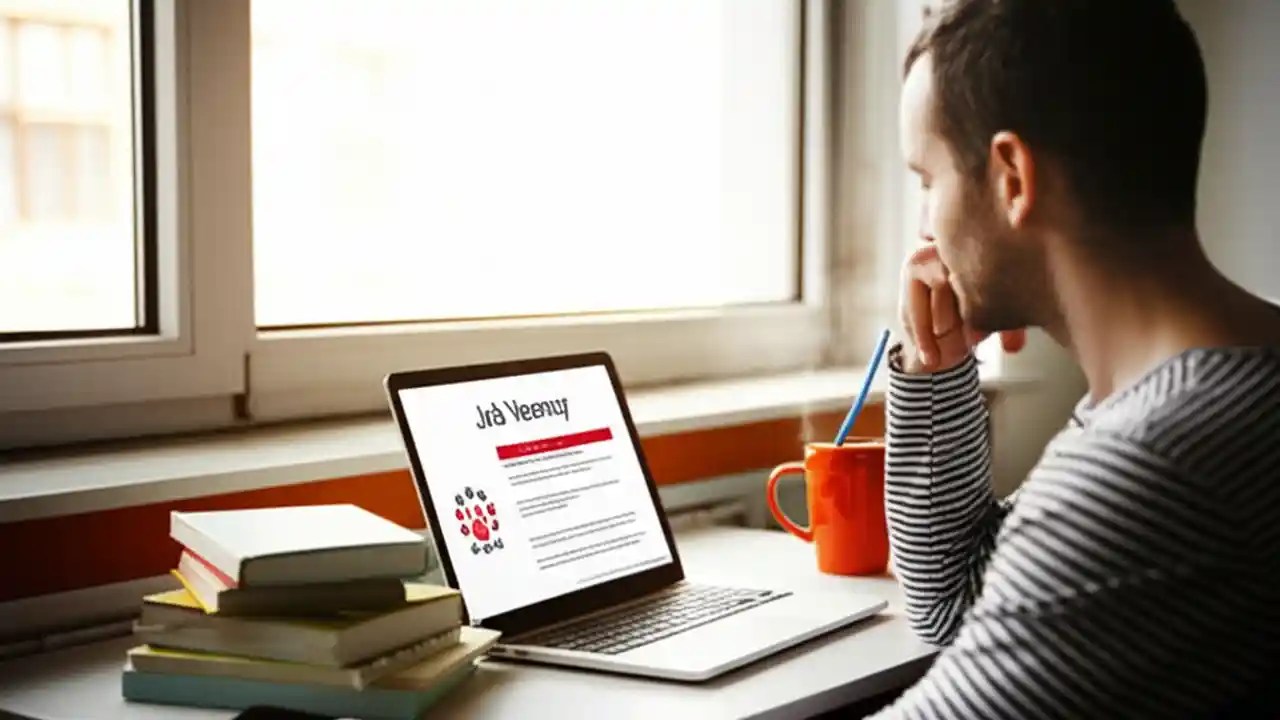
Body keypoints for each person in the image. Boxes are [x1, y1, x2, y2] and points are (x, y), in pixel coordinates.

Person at [873, 0, 1280, 717]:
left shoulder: (1161, 457)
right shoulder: (1215, 391)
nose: (923, 228)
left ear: (1012, 179)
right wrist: (934, 375)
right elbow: (960, 604)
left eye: (927, 180)